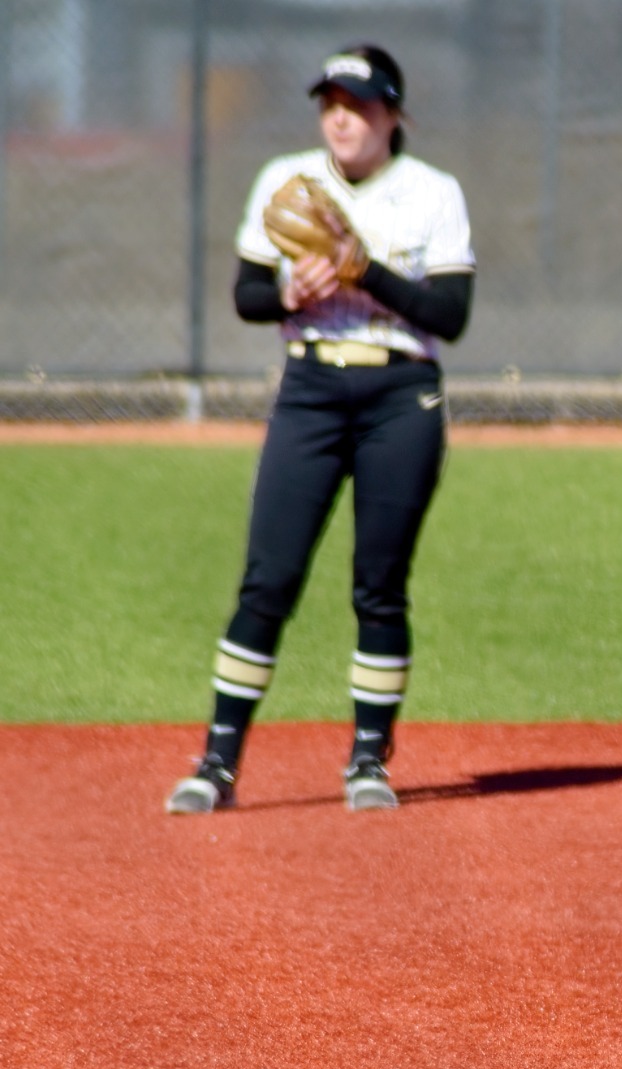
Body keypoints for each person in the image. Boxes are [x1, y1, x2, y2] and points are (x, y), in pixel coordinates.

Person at [165, 45, 475, 814]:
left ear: (394, 115)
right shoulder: (285, 178)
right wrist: (287, 293)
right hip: (308, 387)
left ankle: (369, 761)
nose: (342, 117)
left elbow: (450, 316)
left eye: (360, 104)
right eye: (331, 101)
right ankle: (216, 762)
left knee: (378, 586)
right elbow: (245, 295)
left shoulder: (432, 192)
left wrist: (360, 268)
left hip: (401, 395)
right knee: (268, 578)